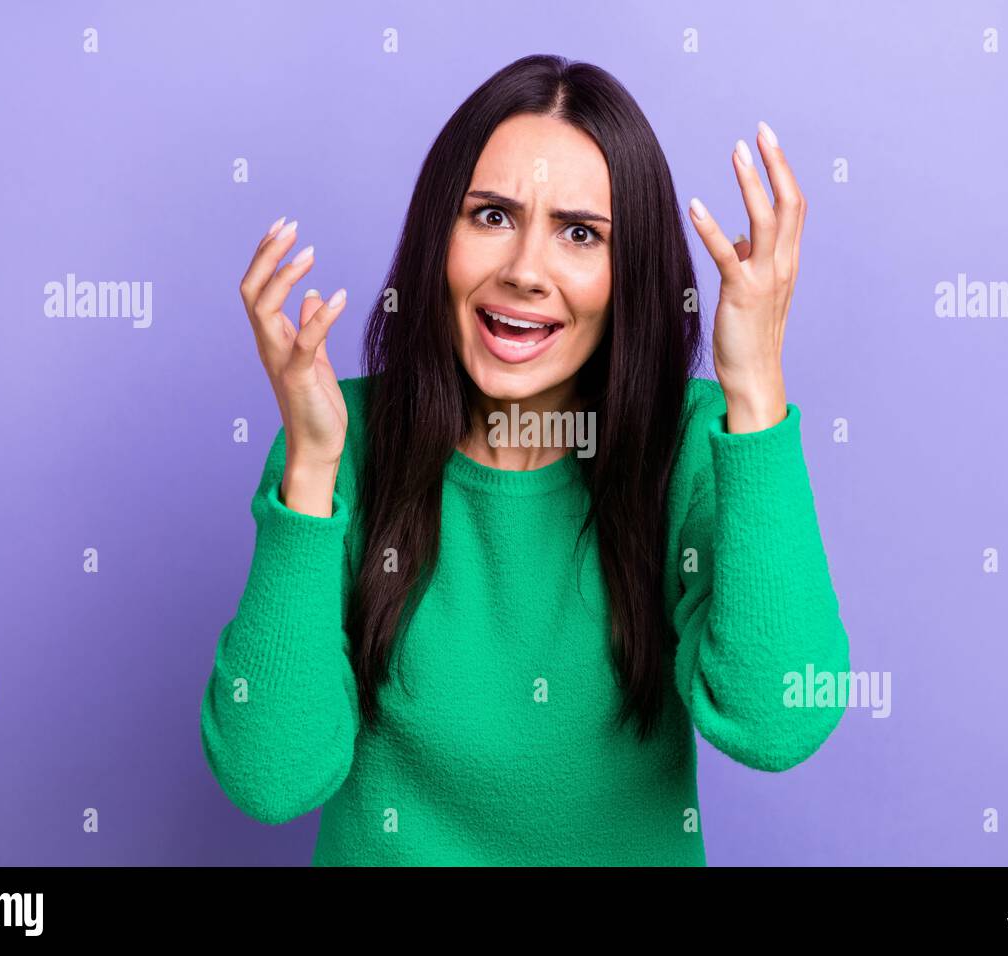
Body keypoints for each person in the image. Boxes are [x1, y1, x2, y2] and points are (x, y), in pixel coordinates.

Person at [200, 53, 850, 866]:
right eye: (492, 216)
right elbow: (270, 779)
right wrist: (310, 469)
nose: (524, 272)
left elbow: (777, 721)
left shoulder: (691, 447)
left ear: (630, 274)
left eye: (580, 234)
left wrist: (754, 388)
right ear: (439, 235)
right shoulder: (341, 443)